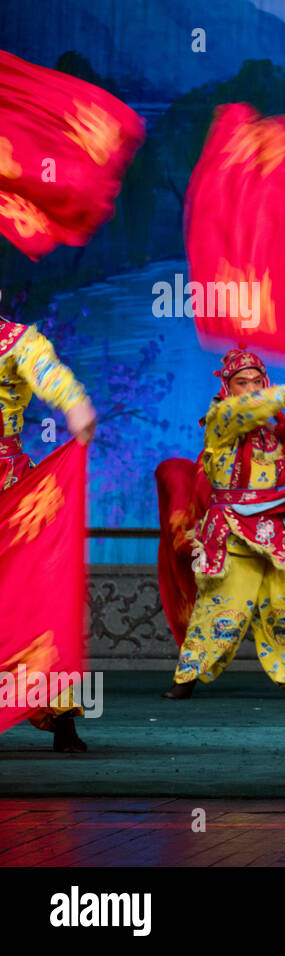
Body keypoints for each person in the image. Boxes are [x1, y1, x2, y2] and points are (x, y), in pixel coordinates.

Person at [161, 348, 285, 700]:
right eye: (241, 383)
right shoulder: (221, 417)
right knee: (220, 605)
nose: (249, 389)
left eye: (257, 382)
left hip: (271, 528)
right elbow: (248, 408)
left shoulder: (270, 433)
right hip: (230, 528)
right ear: (228, 388)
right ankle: (188, 676)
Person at [0, 293, 97, 752]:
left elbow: (47, 373)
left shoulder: (17, 342)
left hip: (11, 493)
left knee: (35, 595)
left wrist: (74, 403)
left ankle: (61, 716)